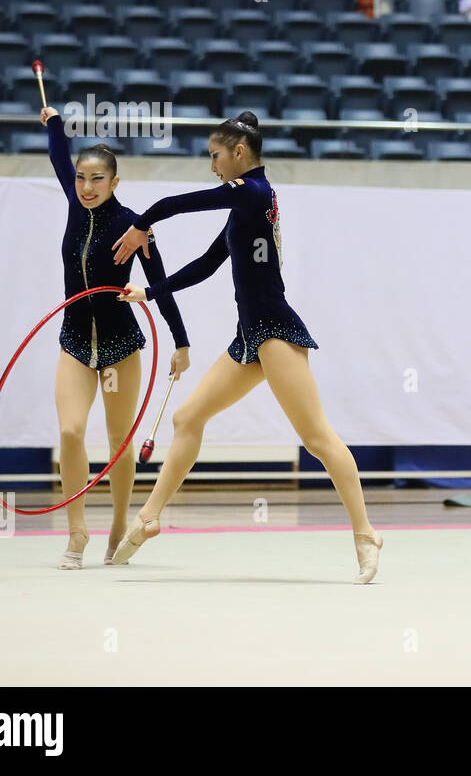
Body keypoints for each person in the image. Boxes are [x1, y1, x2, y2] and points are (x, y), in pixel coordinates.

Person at [108, 113, 383, 583]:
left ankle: (365, 533)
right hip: (250, 336)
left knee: (317, 438)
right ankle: (151, 517)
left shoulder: (254, 192)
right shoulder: (245, 207)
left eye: (215, 156)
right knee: (187, 418)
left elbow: (183, 202)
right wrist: (149, 294)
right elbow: (207, 264)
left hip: (274, 330)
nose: (212, 166)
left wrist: (142, 223)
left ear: (239, 152)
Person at [39, 106, 191, 569]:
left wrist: (180, 342)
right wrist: (53, 124)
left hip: (121, 344)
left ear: (115, 182)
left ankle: (119, 524)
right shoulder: (72, 201)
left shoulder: (133, 225)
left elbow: (161, 282)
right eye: (82, 178)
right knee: (70, 430)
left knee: (118, 439)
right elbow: (58, 159)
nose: (86, 187)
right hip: (75, 342)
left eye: (97, 179)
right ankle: (76, 532)